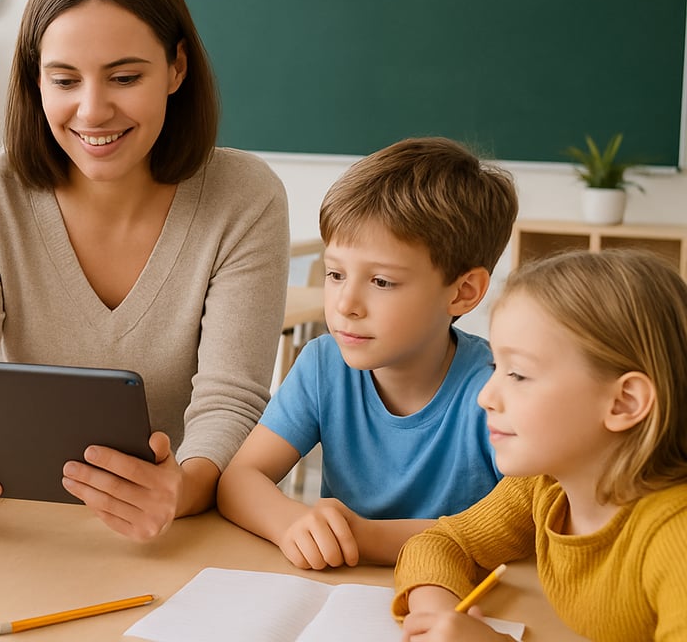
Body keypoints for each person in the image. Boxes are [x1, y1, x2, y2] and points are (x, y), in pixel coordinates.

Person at [0, 0, 290, 541]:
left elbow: (230, 401)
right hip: (25, 525)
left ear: (177, 68)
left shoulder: (244, 196)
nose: (92, 110)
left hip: (185, 524)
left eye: (125, 76)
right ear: (36, 83)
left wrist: (178, 489)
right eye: (63, 79)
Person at [217, 137, 518, 569]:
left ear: (463, 292)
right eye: (335, 274)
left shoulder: (498, 389)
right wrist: (291, 524)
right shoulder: (323, 365)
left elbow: (517, 524)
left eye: (381, 282)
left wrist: (366, 538)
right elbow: (239, 480)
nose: (345, 304)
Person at [393, 249, 687, 640]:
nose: (485, 397)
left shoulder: (674, 537)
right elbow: (442, 542)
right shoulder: (544, 486)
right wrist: (442, 617)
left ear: (624, 402)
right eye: (496, 368)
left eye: (518, 374)